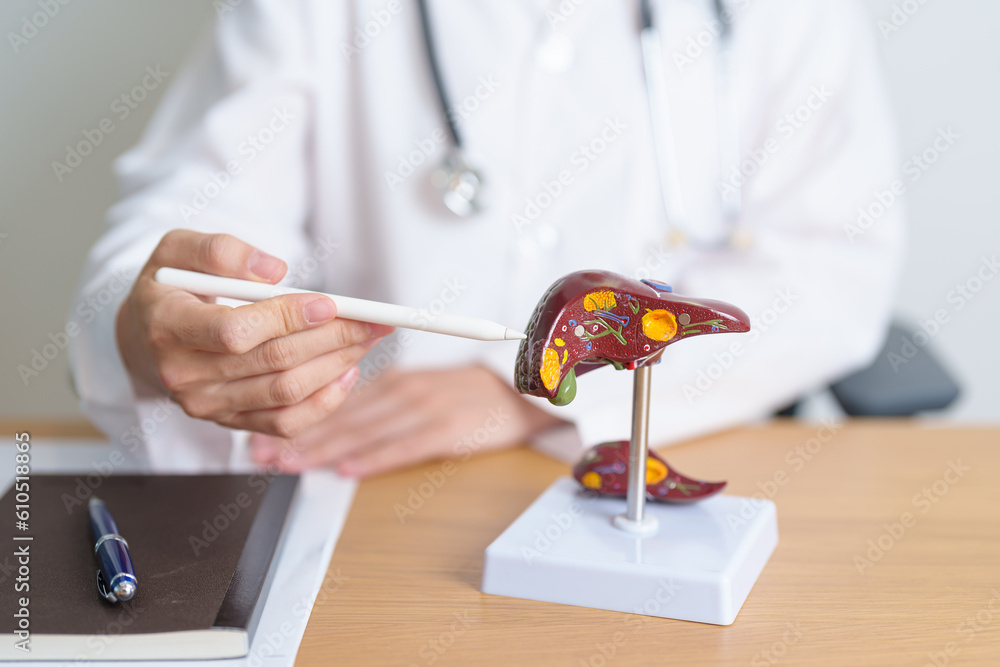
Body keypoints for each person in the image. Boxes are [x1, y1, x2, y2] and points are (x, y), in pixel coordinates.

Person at [69, 0, 904, 474]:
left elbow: (834, 266)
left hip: (656, 459)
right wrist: (162, 332)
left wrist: (529, 388)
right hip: (360, 484)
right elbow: (191, 220)